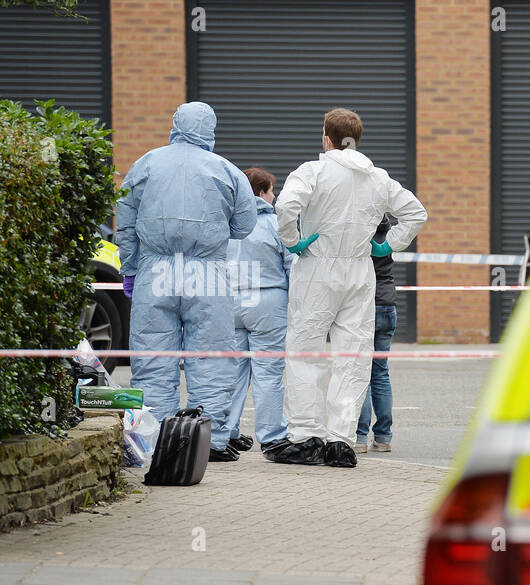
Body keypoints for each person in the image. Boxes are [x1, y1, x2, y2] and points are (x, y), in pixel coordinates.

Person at [274, 108, 427, 467]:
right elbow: (416, 212)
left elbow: (285, 204)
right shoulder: (379, 178)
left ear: (326, 138)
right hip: (360, 272)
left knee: (304, 351)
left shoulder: (313, 171)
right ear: (356, 140)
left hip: (317, 268)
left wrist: (292, 240)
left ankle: (303, 436)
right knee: (354, 356)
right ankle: (340, 441)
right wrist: (389, 245)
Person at [116, 102, 258, 462]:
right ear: (210, 130)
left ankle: (150, 440)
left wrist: (130, 269)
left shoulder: (146, 164)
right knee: (211, 356)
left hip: (155, 271)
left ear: (175, 125)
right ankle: (207, 440)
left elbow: (126, 224)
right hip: (206, 272)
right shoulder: (225, 170)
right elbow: (245, 225)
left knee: (152, 357)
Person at [219, 168, 295, 459]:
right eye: (272, 190)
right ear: (262, 193)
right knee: (268, 373)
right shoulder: (276, 224)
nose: (274, 196)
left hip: (229, 303)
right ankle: (273, 437)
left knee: (232, 374)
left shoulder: (225, 225)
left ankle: (225, 433)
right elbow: (291, 267)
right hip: (267, 302)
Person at [356, 215, 397, 454]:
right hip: (387, 304)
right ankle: (383, 437)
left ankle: (359, 437)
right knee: (380, 372)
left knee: (360, 372)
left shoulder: (359, 234)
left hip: (363, 305)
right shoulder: (389, 235)